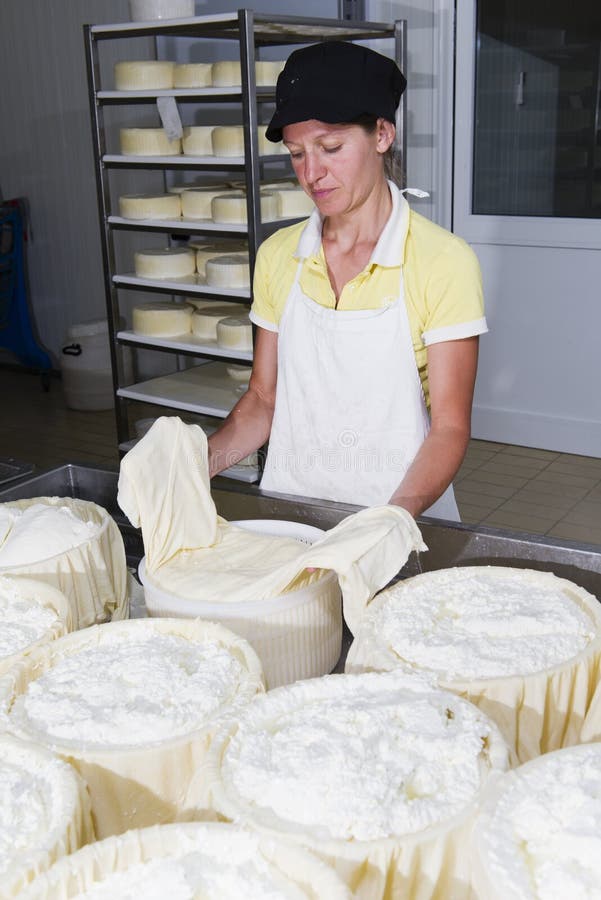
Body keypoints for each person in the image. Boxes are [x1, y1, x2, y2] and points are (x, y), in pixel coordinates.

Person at [208, 40, 486, 520]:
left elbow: (449, 427)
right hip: (293, 512)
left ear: (382, 134)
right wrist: (198, 465)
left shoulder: (443, 261)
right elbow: (263, 399)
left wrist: (390, 520)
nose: (312, 173)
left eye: (331, 148)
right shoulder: (279, 256)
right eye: (297, 154)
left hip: (402, 516)